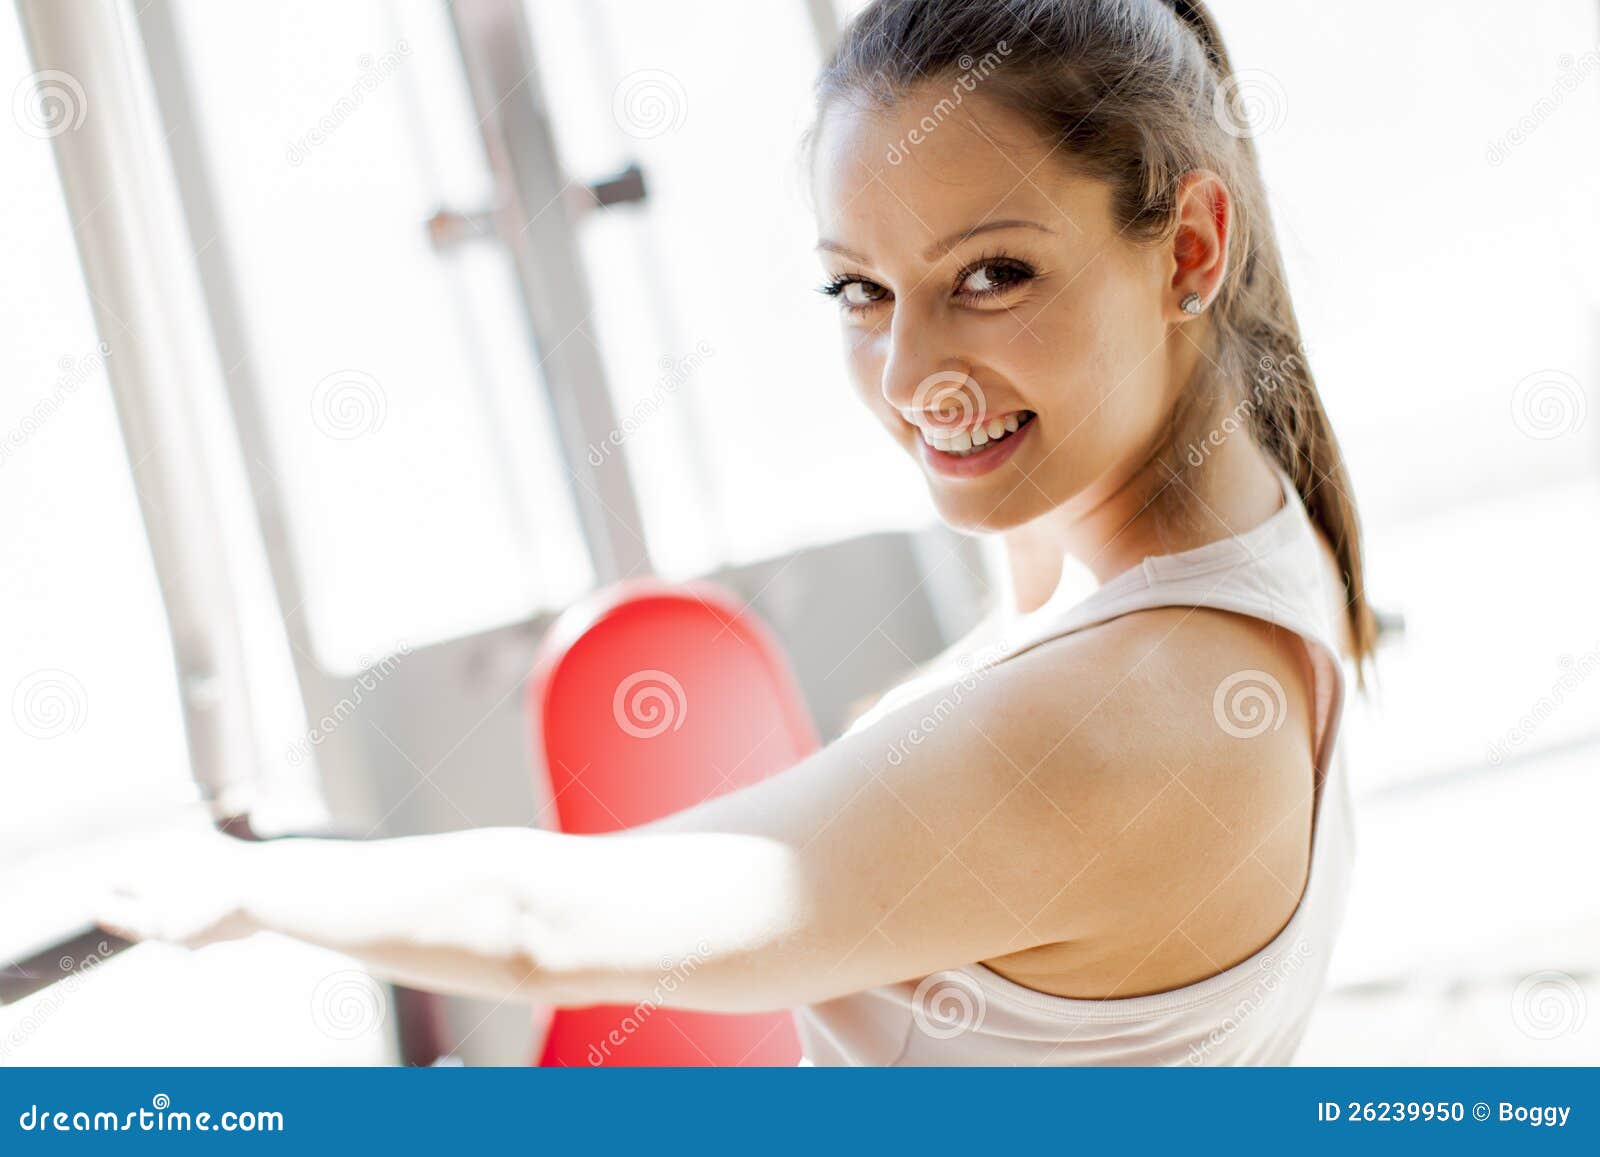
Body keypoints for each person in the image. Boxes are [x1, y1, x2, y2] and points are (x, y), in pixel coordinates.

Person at [97, 0, 1373, 1065]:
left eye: (993, 275)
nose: (908, 370)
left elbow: (544, 919)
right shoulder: (1228, 520)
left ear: (1192, 246)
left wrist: (249, 886)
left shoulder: (1120, 716)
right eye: (859, 289)